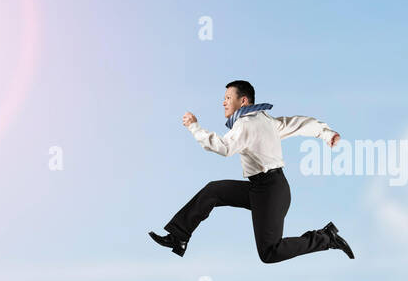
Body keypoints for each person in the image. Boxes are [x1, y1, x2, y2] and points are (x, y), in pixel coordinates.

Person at [148, 80, 355, 262]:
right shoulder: (265, 120)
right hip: (265, 188)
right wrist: (325, 133)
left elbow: (224, 147)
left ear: (244, 101)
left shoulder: (245, 124)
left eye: (228, 97)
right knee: (214, 191)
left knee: (270, 253)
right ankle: (179, 236)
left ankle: (326, 238)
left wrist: (194, 127)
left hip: (270, 193)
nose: (224, 102)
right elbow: (298, 124)